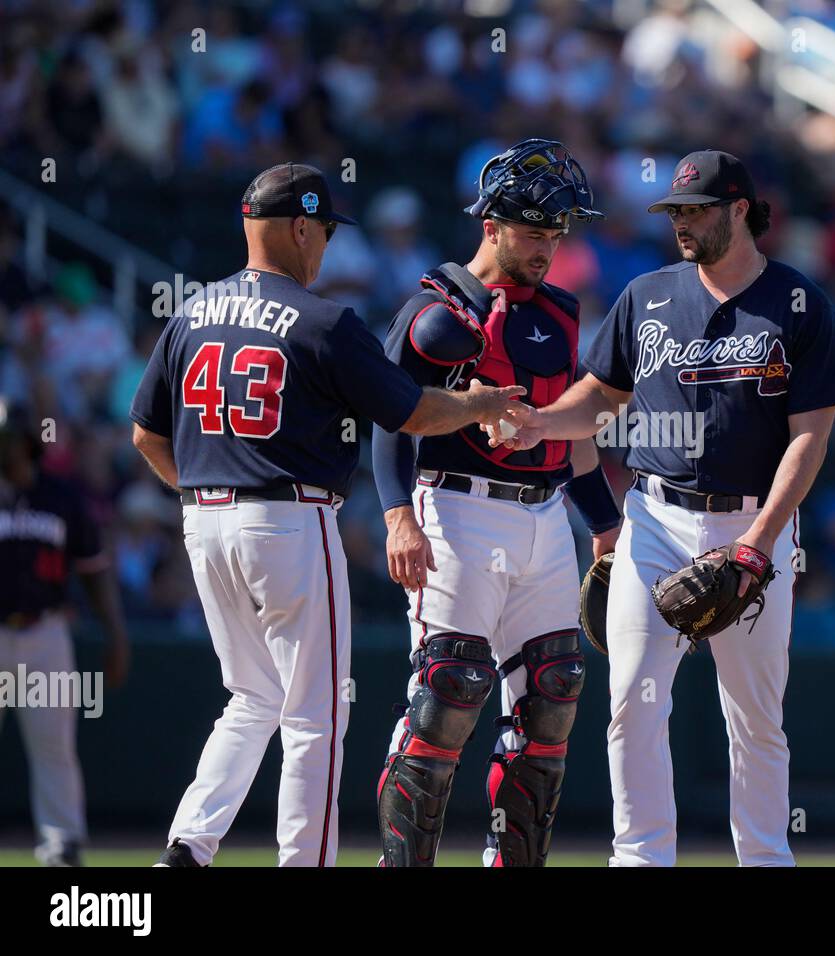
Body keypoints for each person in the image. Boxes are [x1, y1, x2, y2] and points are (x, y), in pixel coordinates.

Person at [129, 163, 524, 867]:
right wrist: (484, 403)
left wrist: (199, 498)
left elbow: (145, 434)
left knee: (251, 697)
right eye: (323, 234)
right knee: (317, 714)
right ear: (300, 227)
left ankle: (187, 848)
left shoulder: (191, 310)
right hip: (288, 520)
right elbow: (412, 411)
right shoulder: (324, 320)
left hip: (205, 518)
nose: (325, 249)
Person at [496, 150, 835, 866]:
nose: (682, 224)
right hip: (655, 517)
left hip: (751, 521)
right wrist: (541, 420)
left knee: (754, 716)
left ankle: (763, 858)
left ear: (740, 210)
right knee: (633, 700)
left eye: (695, 210)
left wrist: (757, 543)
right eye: (675, 212)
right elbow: (601, 398)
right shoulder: (649, 294)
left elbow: (811, 437)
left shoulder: (798, 304)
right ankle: (640, 858)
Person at [372, 139, 620, 867]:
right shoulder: (437, 313)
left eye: (554, 233)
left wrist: (605, 526)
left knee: (553, 693)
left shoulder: (560, 314)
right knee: (449, 691)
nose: (546, 248)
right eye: (532, 232)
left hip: (544, 518)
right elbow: (392, 419)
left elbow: (567, 436)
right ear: (491, 225)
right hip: (456, 510)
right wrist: (397, 516)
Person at [0, 397, 130, 866]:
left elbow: (95, 570)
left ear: (28, 443)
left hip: (45, 634)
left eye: (10, 439)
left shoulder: (60, 496)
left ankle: (62, 842)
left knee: (54, 745)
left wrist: (115, 633)